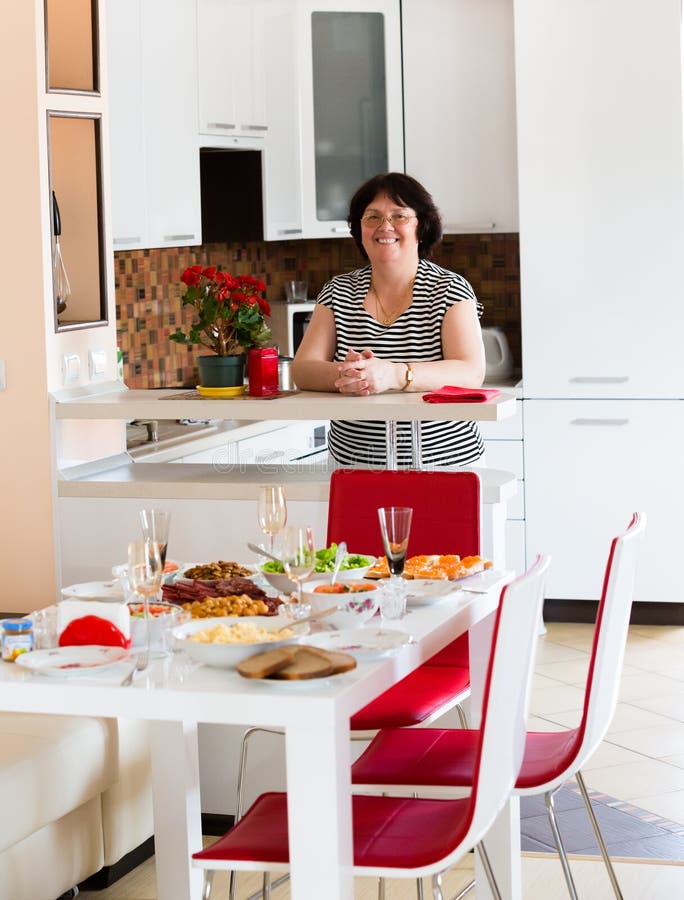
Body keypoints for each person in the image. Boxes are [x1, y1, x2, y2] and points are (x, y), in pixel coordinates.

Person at [292, 172, 486, 468]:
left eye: (399, 216)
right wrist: (354, 375)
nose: (385, 226)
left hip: (446, 465)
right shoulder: (338, 291)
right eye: (372, 217)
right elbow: (303, 370)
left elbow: (470, 371)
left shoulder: (450, 289)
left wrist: (394, 375)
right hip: (353, 466)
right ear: (359, 229)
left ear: (422, 226)